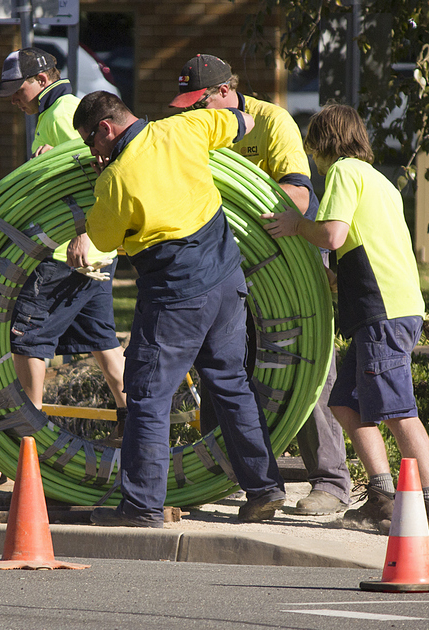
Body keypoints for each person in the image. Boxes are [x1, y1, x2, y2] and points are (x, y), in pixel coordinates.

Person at [75, 90, 287, 528]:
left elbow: (103, 241)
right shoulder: (185, 127)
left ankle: (141, 507)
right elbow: (242, 123)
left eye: (89, 141)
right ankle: (264, 489)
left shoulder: (115, 180)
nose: (90, 152)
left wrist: (96, 198)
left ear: (105, 129)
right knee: (231, 383)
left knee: (150, 397)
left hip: (175, 294)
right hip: (228, 281)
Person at [169, 54, 352, 516]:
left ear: (227, 94)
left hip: (283, 258)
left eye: (199, 103)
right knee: (221, 362)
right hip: (222, 261)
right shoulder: (195, 129)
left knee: (305, 363)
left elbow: (298, 195)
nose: (191, 113)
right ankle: (229, 473)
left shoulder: (272, 122)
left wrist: (234, 210)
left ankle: (330, 482)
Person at [262, 103, 429, 539]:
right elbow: (362, 245)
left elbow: (332, 234)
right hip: (388, 306)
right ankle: (383, 500)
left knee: (399, 412)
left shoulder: (344, 173)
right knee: (345, 402)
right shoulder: (379, 180)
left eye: (312, 147)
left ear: (321, 143)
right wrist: (333, 279)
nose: (311, 157)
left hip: (381, 312)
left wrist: (296, 225)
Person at [0, 48, 128, 439]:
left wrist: (84, 233)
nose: (15, 100)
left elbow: (98, 172)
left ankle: (28, 430)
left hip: (70, 253)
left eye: (19, 90)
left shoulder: (65, 110)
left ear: (43, 79)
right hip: (94, 253)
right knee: (101, 337)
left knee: (27, 334)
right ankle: (131, 417)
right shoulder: (54, 113)